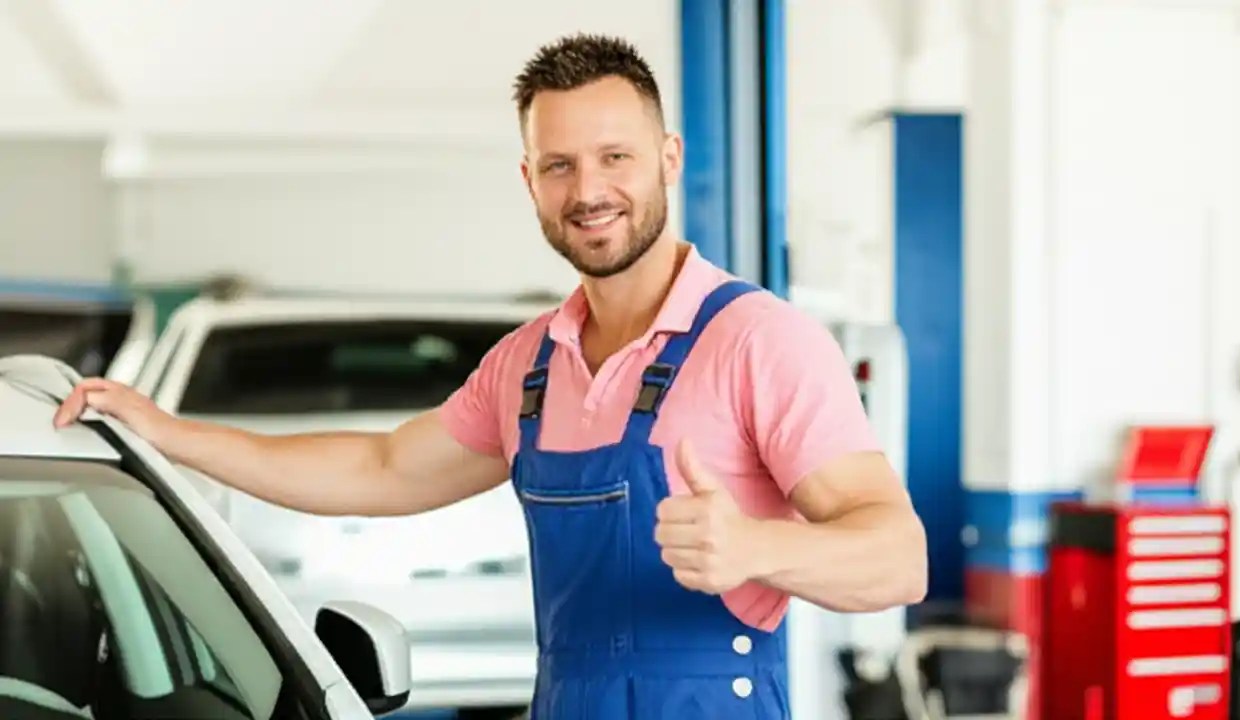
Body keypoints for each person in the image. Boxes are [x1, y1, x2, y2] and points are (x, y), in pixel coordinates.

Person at [54, 33, 927, 720]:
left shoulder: (760, 341)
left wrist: (758, 549)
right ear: (529, 180)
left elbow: (900, 558)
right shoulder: (529, 365)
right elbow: (382, 468)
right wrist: (169, 437)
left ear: (668, 158)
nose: (588, 190)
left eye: (615, 157)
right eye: (559, 165)